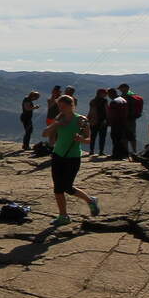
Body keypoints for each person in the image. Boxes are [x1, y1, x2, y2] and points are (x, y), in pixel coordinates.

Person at [46, 95, 99, 226]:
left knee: (67, 187)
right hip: (58, 155)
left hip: (73, 157)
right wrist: (56, 124)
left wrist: (81, 139)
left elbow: (89, 139)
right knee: (58, 188)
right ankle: (63, 216)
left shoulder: (81, 120)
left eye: (63, 106)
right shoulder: (59, 118)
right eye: (59, 106)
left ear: (71, 105)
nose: (61, 109)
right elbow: (45, 133)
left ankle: (90, 200)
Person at [106, 89, 130, 159]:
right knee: (120, 138)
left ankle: (116, 155)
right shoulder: (123, 100)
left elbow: (112, 114)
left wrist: (109, 122)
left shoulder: (114, 102)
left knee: (115, 138)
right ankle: (122, 154)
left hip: (116, 123)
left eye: (109, 94)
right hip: (123, 122)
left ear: (111, 94)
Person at [88, 88, 109, 156]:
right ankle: (101, 151)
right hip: (102, 121)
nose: (106, 95)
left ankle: (91, 151)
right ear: (101, 93)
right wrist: (107, 119)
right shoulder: (104, 101)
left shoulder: (92, 101)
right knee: (102, 136)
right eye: (105, 93)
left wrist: (88, 119)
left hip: (93, 121)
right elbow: (107, 111)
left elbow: (90, 111)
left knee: (93, 136)